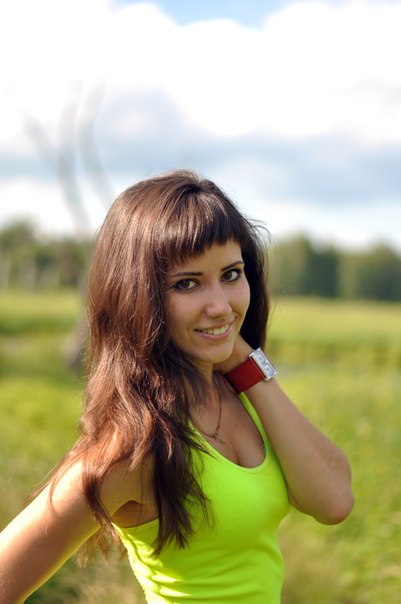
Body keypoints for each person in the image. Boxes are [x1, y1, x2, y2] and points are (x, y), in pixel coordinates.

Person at [0, 170, 354, 603]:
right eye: (187, 283)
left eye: (231, 274)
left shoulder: (238, 393)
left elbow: (333, 501)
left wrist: (248, 366)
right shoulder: (135, 447)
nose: (220, 306)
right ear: (136, 296)